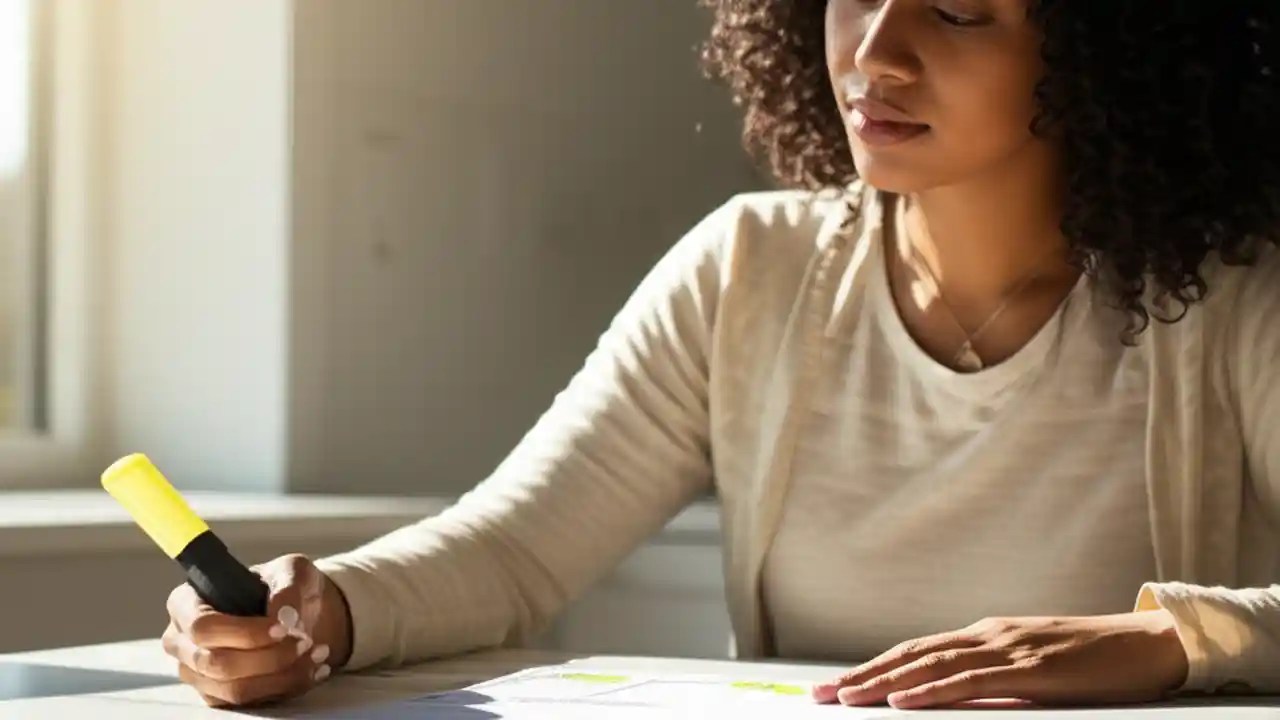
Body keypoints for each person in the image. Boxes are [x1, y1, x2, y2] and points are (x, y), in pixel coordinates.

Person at [160, 0, 1280, 710]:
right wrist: (317, 610)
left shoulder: (1233, 294)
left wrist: (1166, 640)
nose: (874, 51)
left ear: (1100, 50)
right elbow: (514, 554)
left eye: (955, 10)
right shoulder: (750, 265)